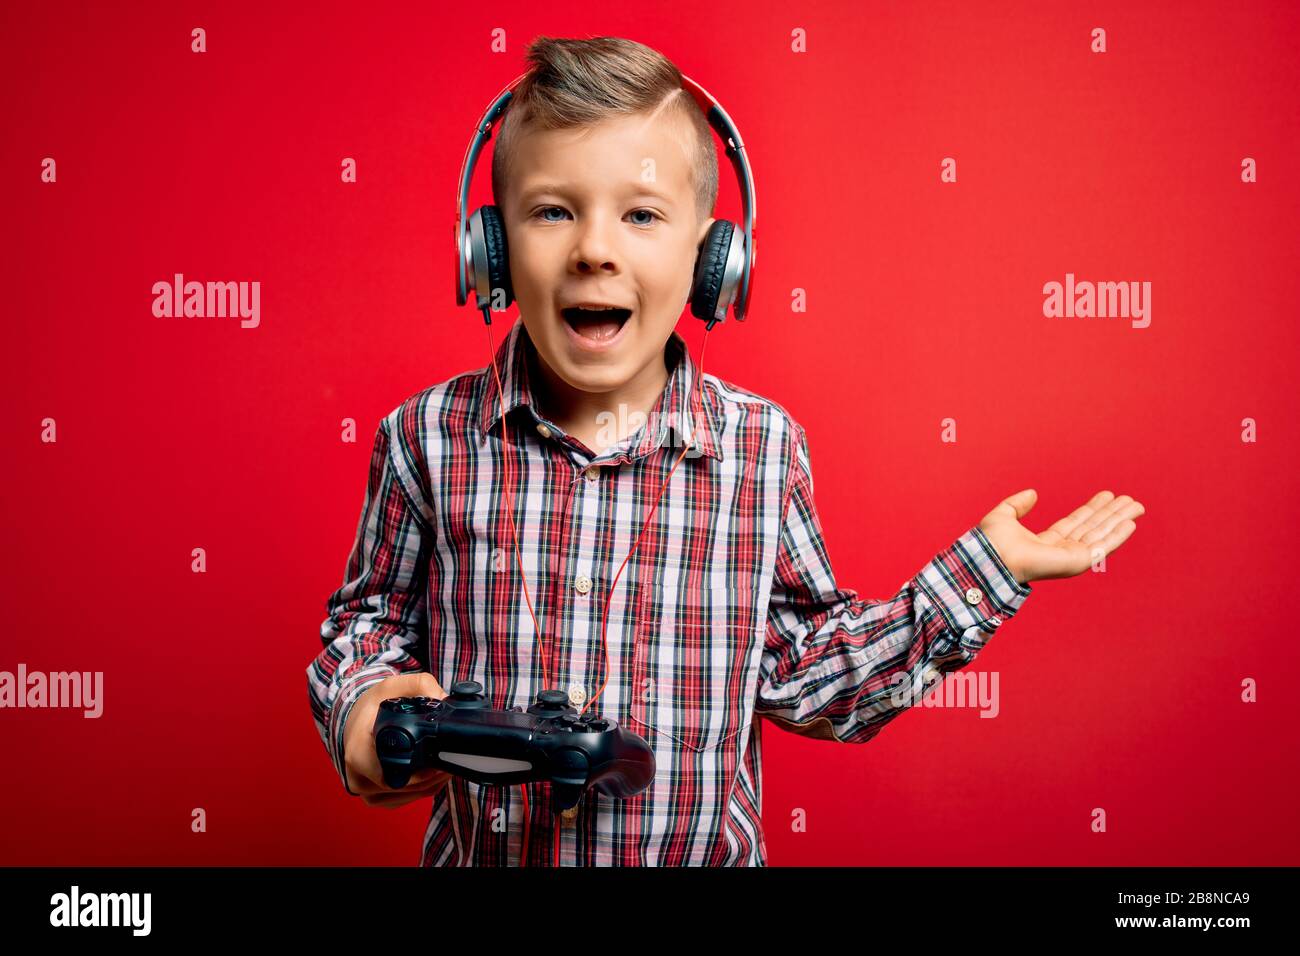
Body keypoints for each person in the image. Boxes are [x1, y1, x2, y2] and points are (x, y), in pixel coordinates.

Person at [306, 35, 1145, 866]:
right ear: (487, 250)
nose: (595, 249)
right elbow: (363, 630)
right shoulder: (425, 438)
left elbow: (817, 681)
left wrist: (985, 572)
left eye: (640, 215)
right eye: (552, 210)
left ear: (714, 260)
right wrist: (364, 709)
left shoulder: (763, 450)